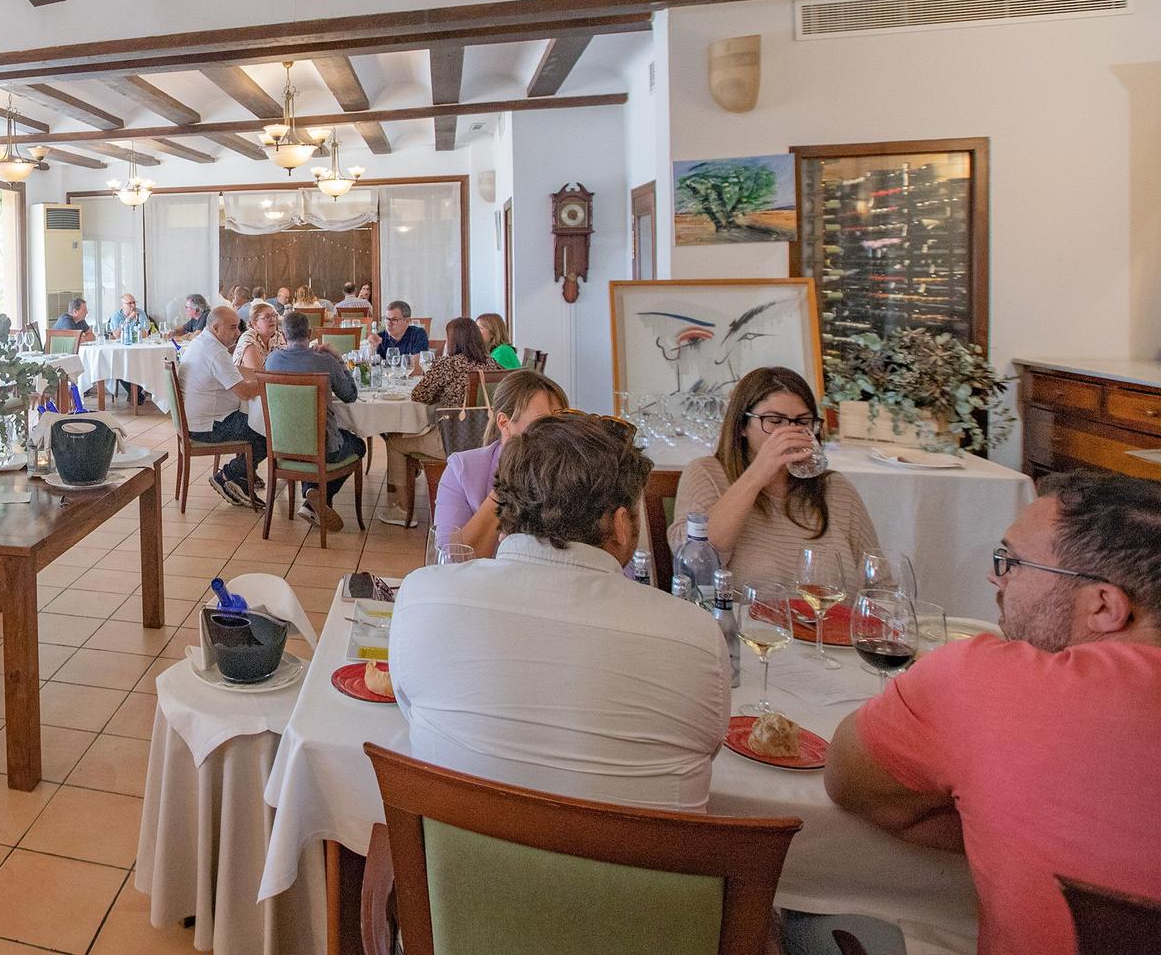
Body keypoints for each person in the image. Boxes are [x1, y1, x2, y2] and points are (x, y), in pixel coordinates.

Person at [825, 473, 1161, 955]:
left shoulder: (983, 680)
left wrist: (998, 823)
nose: (994, 577)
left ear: (1104, 606)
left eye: (1013, 563)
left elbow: (850, 782)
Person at [391, 413, 728, 809]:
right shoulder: (697, 639)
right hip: (632, 867)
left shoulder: (422, 597)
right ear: (621, 524)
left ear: (506, 509)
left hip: (455, 864)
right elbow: (708, 749)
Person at [670, 367, 881, 586]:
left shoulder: (835, 488)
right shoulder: (707, 473)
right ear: (742, 425)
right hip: (745, 619)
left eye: (801, 422)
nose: (789, 433)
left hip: (831, 619)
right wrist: (759, 473)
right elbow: (696, 561)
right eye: (774, 420)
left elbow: (879, 584)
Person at [434, 371, 568, 560]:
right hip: (481, 585)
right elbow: (450, 559)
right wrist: (508, 484)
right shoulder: (463, 470)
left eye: (561, 422)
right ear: (504, 423)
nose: (557, 433)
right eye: (543, 423)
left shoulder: (571, 473)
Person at [382, 317, 491, 519]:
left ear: (453, 341)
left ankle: (403, 509)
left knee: (395, 442)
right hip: (488, 444)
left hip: (452, 441)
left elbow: (419, 395)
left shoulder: (448, 365)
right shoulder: (494, 364)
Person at [263, 310, 361, 532]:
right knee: (358, 445)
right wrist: (339, 358)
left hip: (283, 445)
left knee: (316, 447)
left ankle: (311, 495)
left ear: (283, 334)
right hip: (322, 446)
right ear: (309, 332)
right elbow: (350, 395)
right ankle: (315, 498)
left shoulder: (272, 359)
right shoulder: (325, 361)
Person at [179, 306, 264, 507]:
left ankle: (241, 479)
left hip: (197, 420)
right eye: (233, 328)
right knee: (266, 429)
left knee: (257, 424)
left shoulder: (202, 342)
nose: (238, 332)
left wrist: (261, 374)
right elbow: (244, 391)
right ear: (216, 328)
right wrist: (269, 383)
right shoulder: (215, 352)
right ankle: (228, 476)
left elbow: (234, 371)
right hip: (209, 426)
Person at [232, 301, 282, 372]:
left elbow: (285, 362)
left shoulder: (277, 335)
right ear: (255, 323)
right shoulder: (249, 339)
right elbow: (256, 376)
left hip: (270, 380)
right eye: (267, 317)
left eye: (274, 316)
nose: (273, 319)